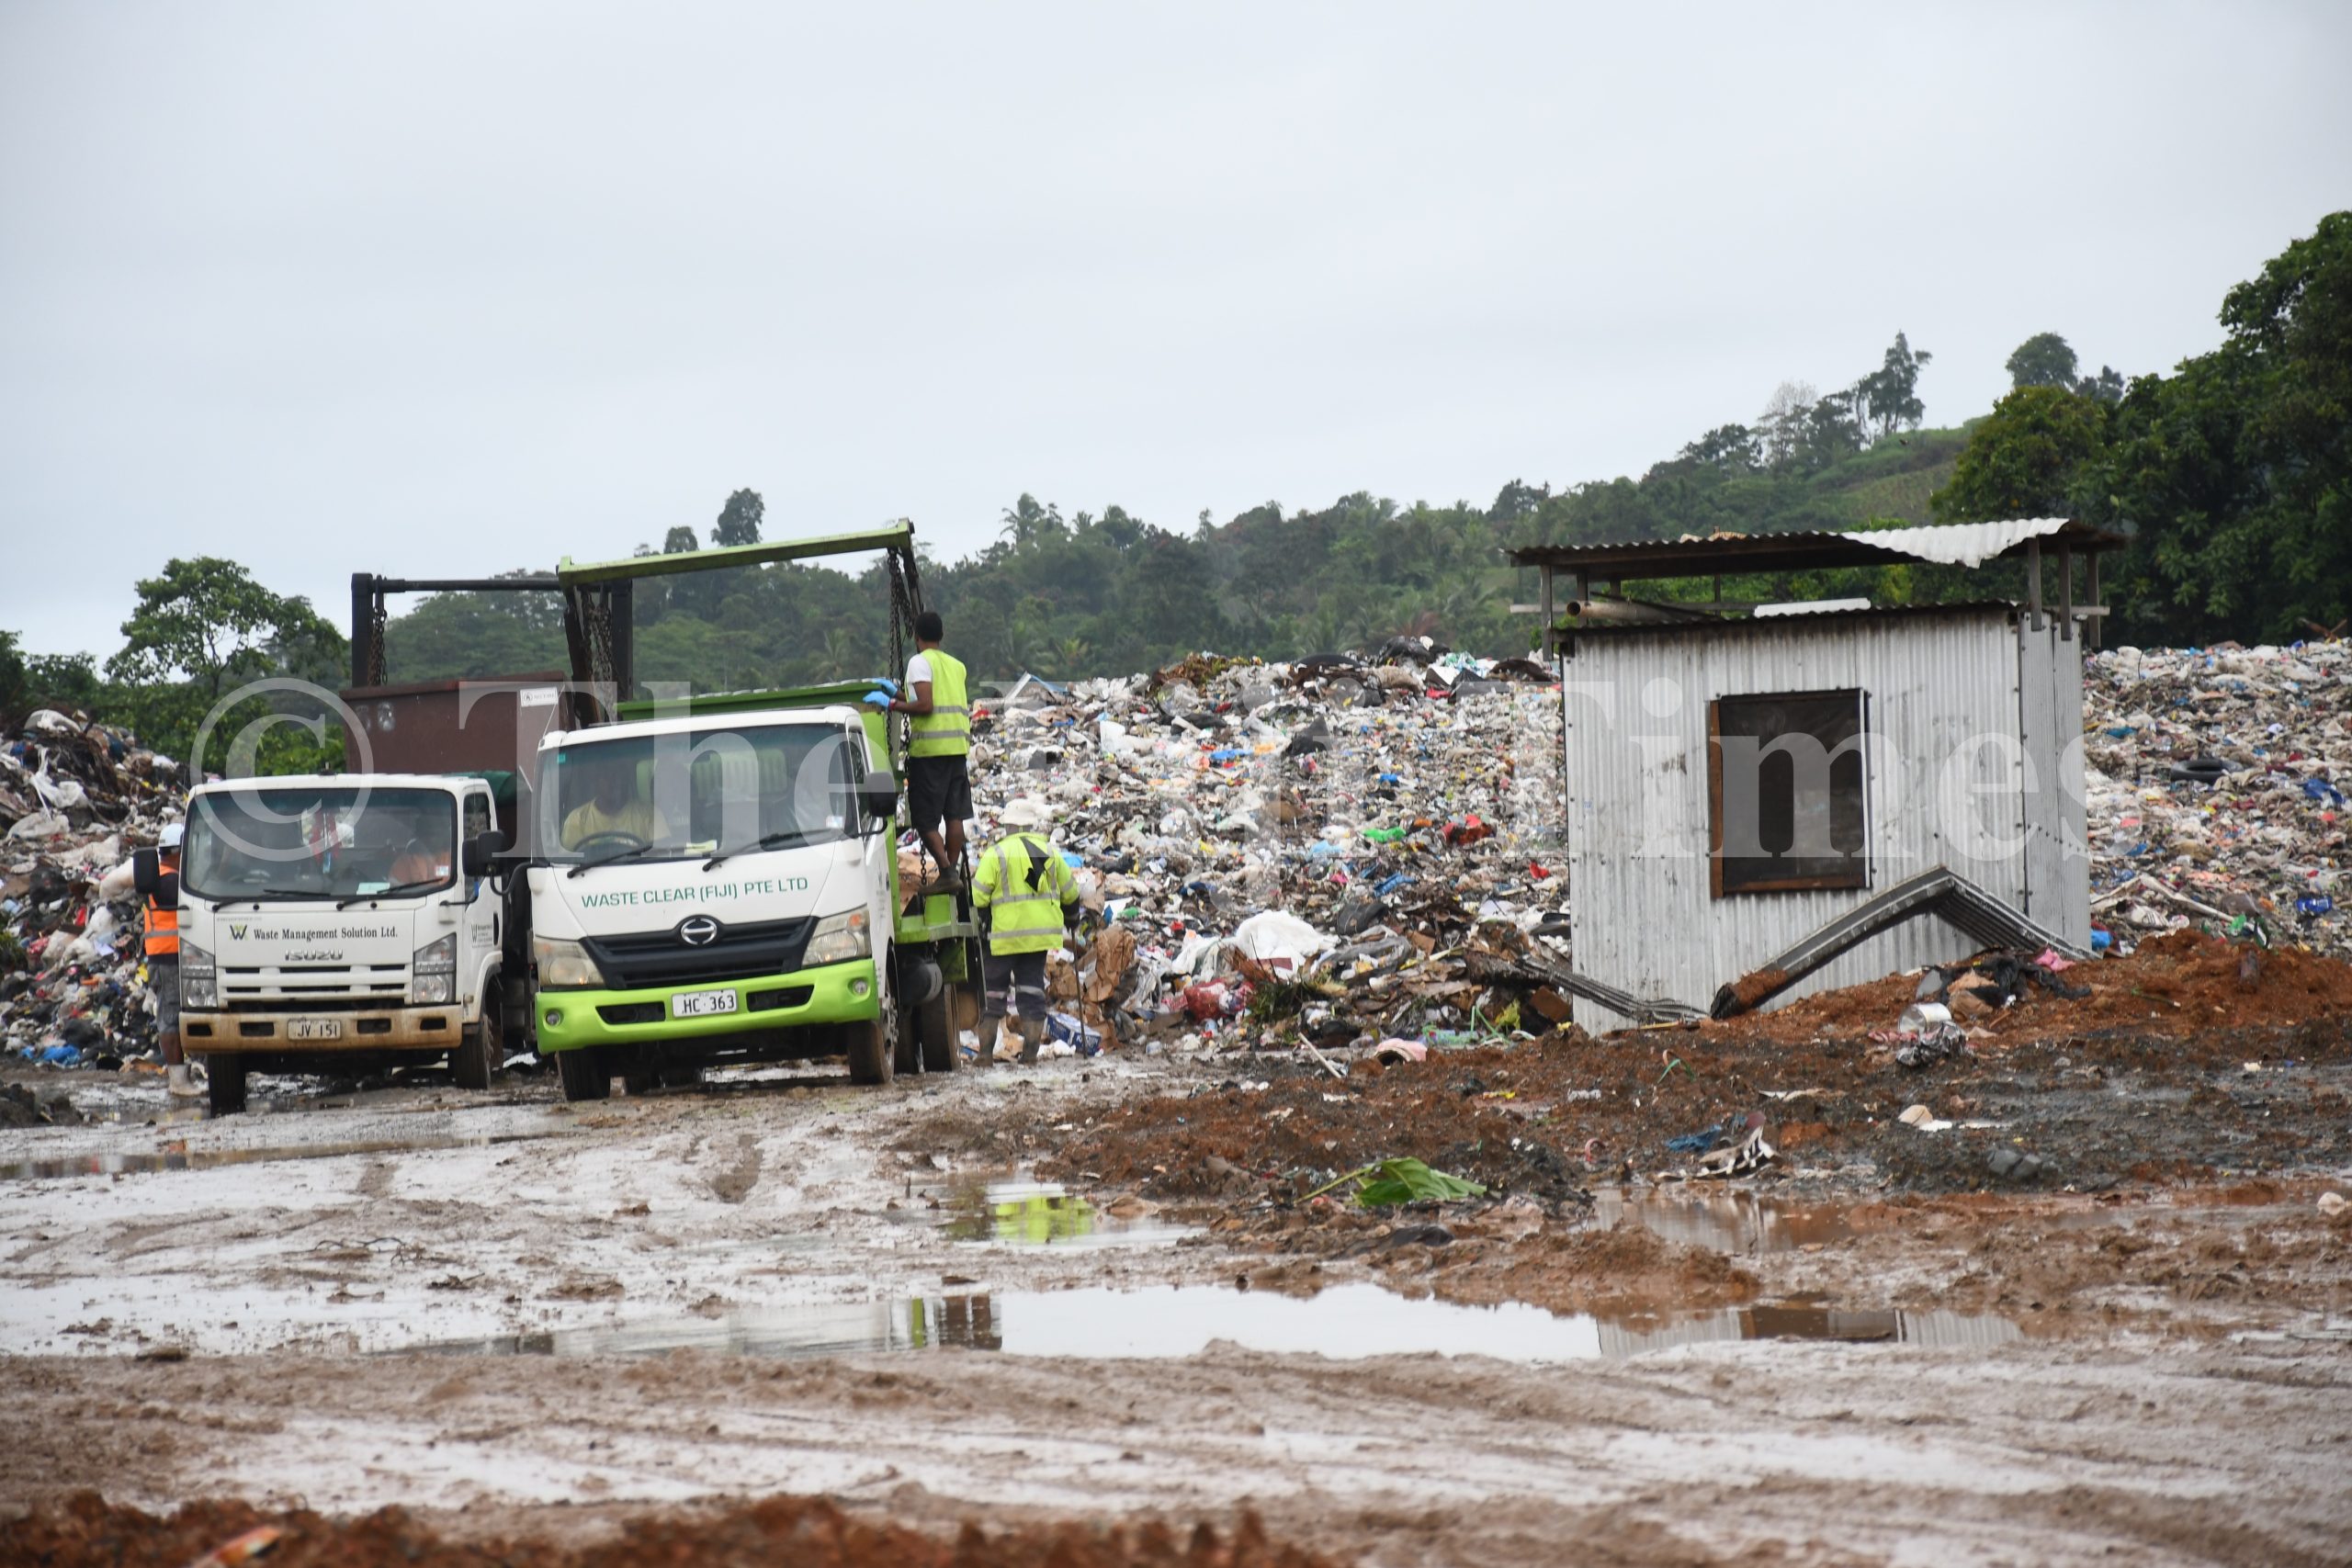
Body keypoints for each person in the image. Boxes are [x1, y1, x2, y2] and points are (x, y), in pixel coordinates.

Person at [967, 805, 1080, 1066]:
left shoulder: (997, 854)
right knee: (1031, 992)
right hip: (1037, 939)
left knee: (992, 993)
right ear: (1030, 825)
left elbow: (978, 897)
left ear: (1008, 825)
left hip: (1003, 938)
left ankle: (985, 1055)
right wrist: (1073, 918)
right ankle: (1029, 1056)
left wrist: (982, 922)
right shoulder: (1050, 852)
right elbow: (1071, 893)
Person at [877, 610, 971, 888]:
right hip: (957, 749)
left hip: (930, 752)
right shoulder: (956, 666)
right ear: (941, 635)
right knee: (954, 815)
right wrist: (897, 693)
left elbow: (926, 705)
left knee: (923, 817)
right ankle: (950, 873)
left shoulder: (919, 662)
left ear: (917, 637)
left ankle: (947, 871)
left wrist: (891, 705)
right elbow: (928, 698)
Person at [145, 822, 200, 1100]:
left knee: (177, 1015)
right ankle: (178, 1081)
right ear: (179, 851)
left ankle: (186, 1076)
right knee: (170, 1018)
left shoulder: (167, 876)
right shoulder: (167, 881)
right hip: (167, 958)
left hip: (173, 956)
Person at [561, 750, 669, 850]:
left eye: (619, 774)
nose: (613, 780)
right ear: (596, 781)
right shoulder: (577, 820)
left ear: (627, 779)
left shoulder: (650, 815)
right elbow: (568, 861)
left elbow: (662, 854)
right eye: (606, 775)